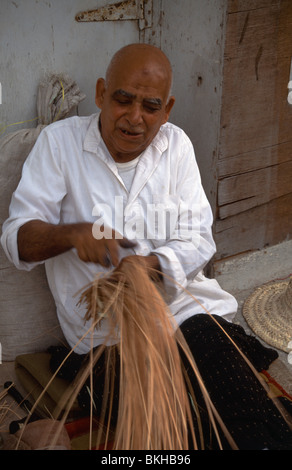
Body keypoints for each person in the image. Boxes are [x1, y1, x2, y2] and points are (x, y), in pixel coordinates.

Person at [1, 44, 291, 449]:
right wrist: (70, 234)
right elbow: (17, 239)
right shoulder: (59, 145)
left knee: (243, 406)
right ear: (102, 93)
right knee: (171, 427)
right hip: (108, 338)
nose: (135, 118)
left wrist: (150, 265)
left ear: (167, 109)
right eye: (123, 100)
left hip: (186, 313)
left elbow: (198, 237)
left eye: (150, 106)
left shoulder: (177, 147)